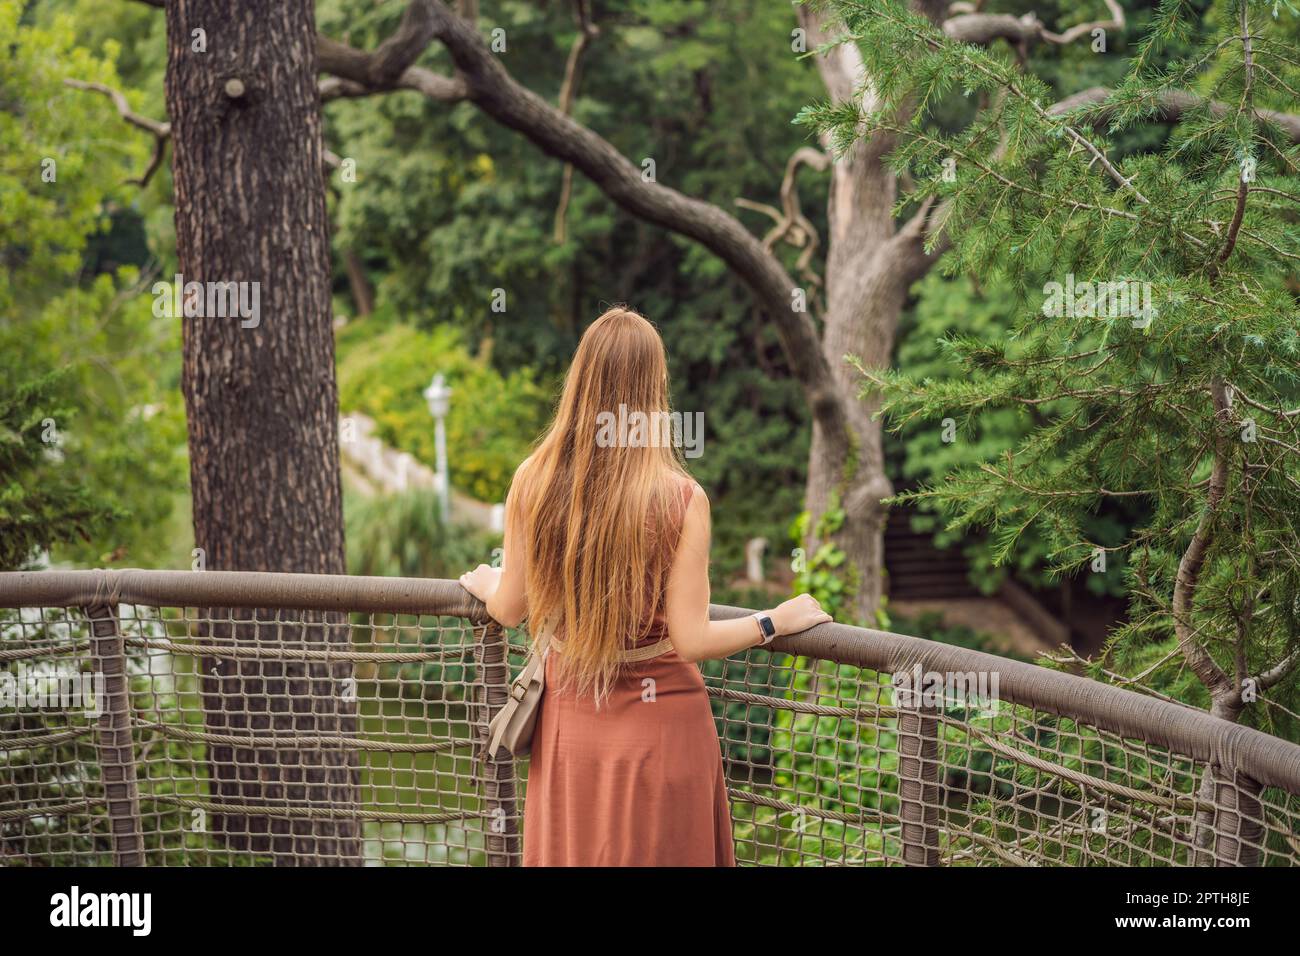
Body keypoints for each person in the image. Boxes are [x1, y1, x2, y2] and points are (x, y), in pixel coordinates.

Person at [459, 306, 831, 866]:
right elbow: (691, 640)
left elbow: (510, 610)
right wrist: (771, 621)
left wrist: (489, 580)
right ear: (655, 389)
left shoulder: (531, 481)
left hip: (571, 730)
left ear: (579, 379)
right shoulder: (682, 498)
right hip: (663, 734)